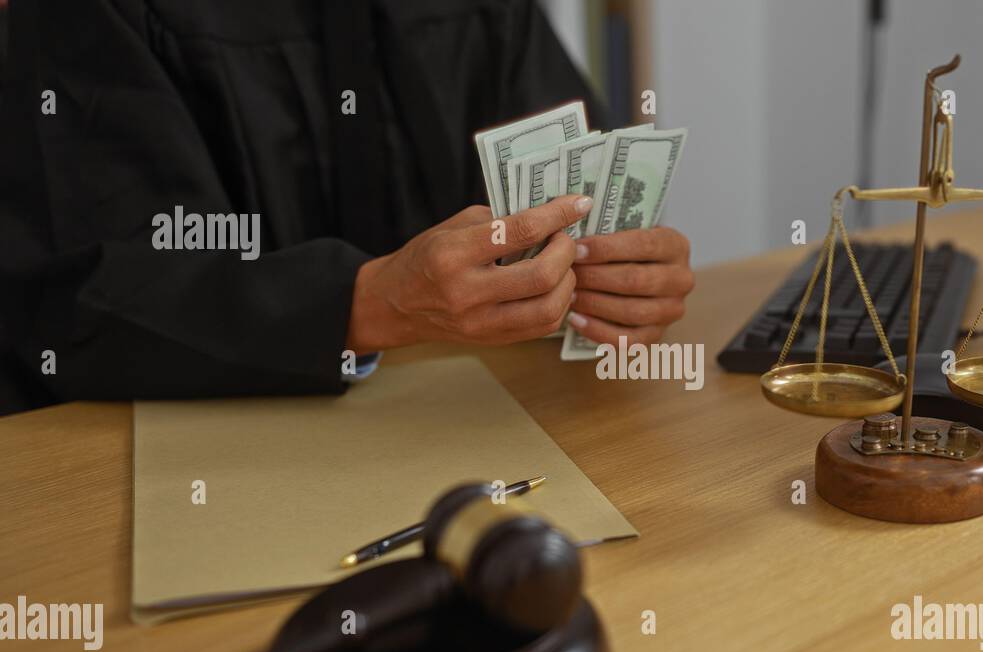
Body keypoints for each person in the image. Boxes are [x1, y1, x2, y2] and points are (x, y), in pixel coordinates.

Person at [0, 0, 693, 414]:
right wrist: (362, 305)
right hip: (191, 474)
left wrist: (621, 276)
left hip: (469, 432)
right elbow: (86, 300)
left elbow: (580, 185)